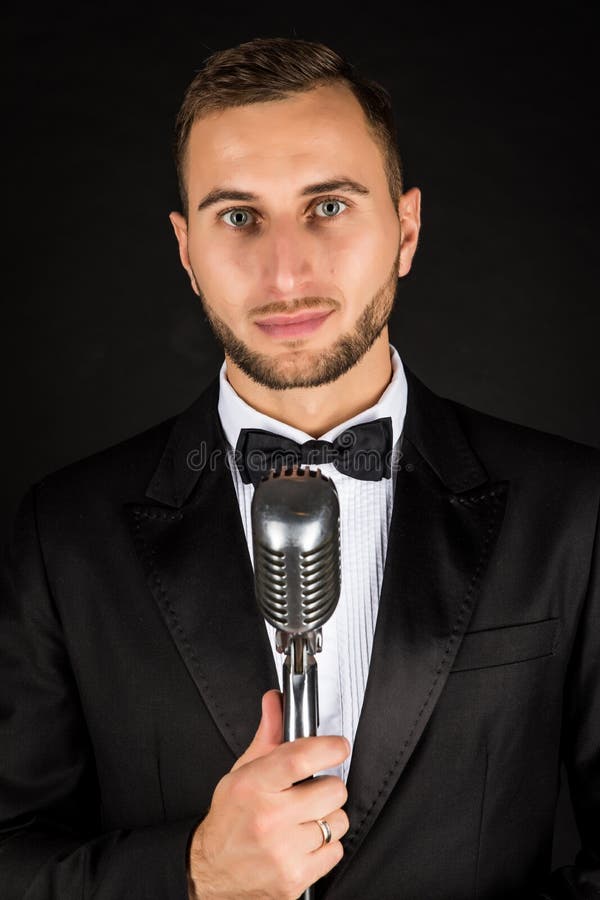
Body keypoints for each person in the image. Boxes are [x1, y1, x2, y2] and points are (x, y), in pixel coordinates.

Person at [0, 35, 598, 900]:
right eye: (238, 216)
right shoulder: (64, 533)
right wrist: (194, 873)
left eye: (328, 207)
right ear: (186, 252)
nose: (286, 273)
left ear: (407, 229)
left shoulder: (574, 511)